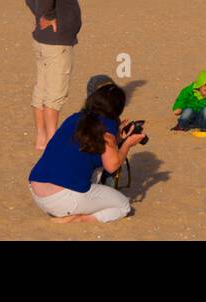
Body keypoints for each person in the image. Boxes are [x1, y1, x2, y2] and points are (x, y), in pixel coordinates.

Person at [27, 82, 141, 224]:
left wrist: (118, 138)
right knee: (123, 206)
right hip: (63, 198)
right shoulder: (107, 128)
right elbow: (112, 165)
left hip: (38, 191)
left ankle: (75, 208)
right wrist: (128, 144)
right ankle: (81, 218)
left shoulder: (75, 118)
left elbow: (90, 145)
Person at [23, 0, 84, 150]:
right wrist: (46, 16)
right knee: (55, 93)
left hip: (43, 39)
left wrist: (41, 16)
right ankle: (50, 140)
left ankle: (41, 138)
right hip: (56, 42)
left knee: (43, 88)